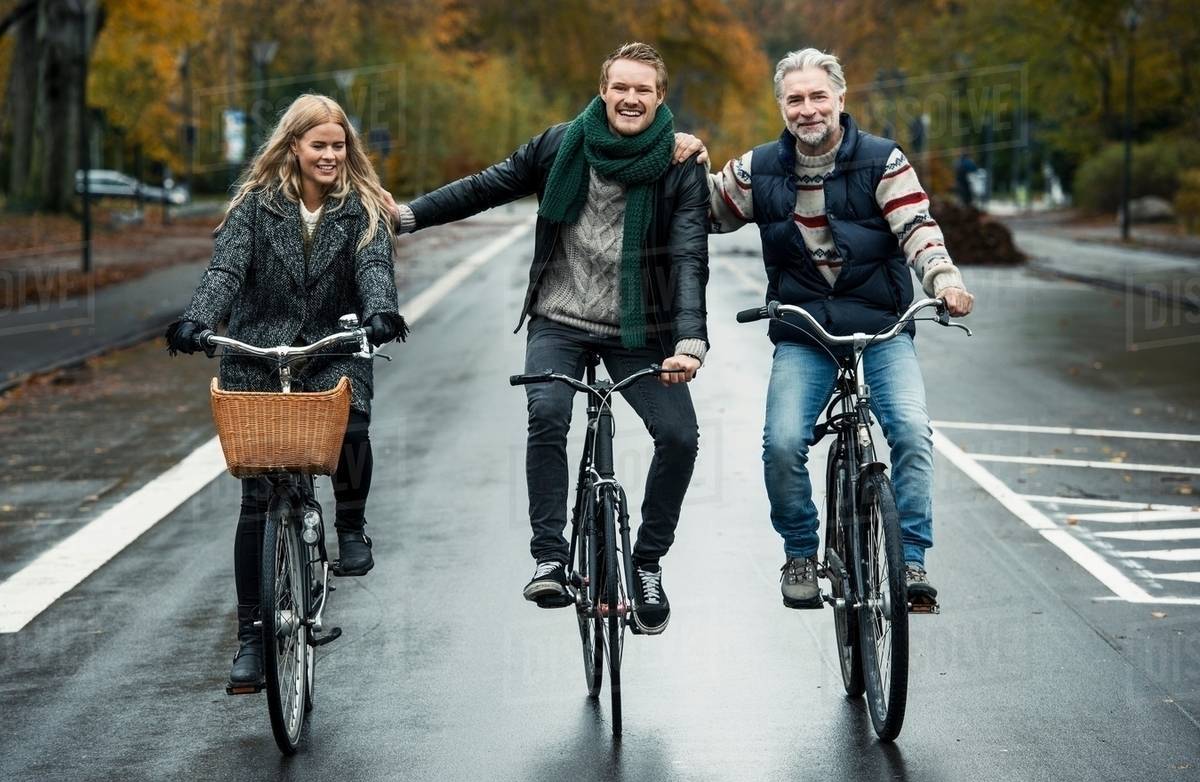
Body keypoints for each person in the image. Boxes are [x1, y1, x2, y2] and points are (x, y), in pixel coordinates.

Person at [388, 42, 709, 634]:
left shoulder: (681, 166)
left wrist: (690, 342)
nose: (630, 98)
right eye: (621, 87)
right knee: (548, 412)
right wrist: (411, 216)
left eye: (643, 89)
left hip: (640, 330)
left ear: (660, 97)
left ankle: (647, 563)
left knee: (680, 436)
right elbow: (490, 185)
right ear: (603, 89)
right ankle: (550, 558)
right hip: (558, 320)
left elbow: (689, 255)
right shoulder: (561, 145)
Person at [707, 48, 974, 608]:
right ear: (781, 105)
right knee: (781, 443)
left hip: (880, 327)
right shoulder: (758, 168)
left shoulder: (883, 161)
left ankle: (913, 559)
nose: (808, 110)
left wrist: (944, 282)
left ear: (840, 100)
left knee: (909, 430)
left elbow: (917, 229)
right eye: (795, 99)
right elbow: (706, 207)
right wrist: (679, 156)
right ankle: (801, 552)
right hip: (805, 333)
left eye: (818, 97)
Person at [166, 94, 407, 686]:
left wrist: (379, 312)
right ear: (294, 147)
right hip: (260, 354)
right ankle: (250, 639)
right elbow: (226, 270)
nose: (329, 155)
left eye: (338, 145)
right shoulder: (253, 207)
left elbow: (374, 268)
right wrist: (199, 319)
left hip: (330, 349)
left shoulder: (365, 208)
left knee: (351, 421)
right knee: (255, 503)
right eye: (318, 145)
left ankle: (350, 525)